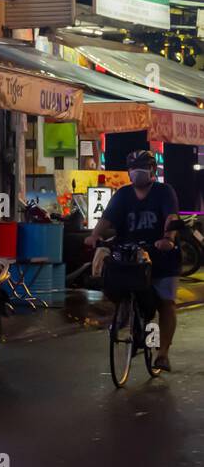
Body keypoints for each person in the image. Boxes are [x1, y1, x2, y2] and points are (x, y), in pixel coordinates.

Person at [85, 150, 180, 371]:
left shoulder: (164, 192)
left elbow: (171, 217)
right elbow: (107, 217)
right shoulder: (123, 195)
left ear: (152, 170)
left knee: (166, 303)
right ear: (128, 172)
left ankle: (163, 353)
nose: (137, 172)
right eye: (133, 168)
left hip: (162, 257)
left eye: (143, 167)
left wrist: (168, 238)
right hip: (130, 254)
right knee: (119, 284)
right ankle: (127, 315)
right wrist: (94, 235)